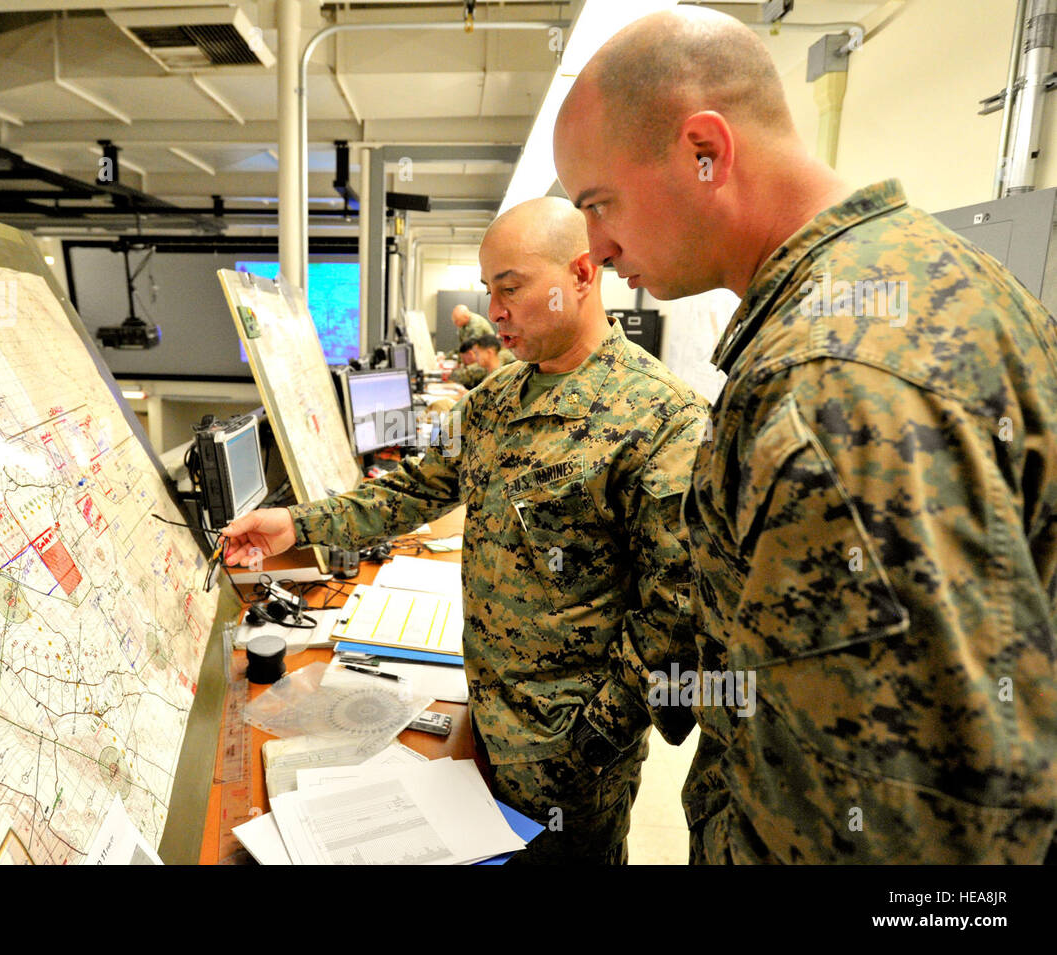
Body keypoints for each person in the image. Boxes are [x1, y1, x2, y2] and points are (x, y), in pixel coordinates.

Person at [554, 5, 1057, 863]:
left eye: (600, 204)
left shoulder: (829, 381)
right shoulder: (923, 277)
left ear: (704, 151)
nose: (595, 248)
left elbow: (911, 838)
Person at [223, 196, 707, 863]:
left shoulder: (663, 418)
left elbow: (676, 613)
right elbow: (410, 489)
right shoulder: (493, 402)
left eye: (511, 288)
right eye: (490, 290)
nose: (495, 310)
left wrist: (593, 738)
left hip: (572, 762)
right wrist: (295, 524)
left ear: (582, 275)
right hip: (483, 722)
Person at [452, 332, 516, 389]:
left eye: (477, 353)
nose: (475, 358)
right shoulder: (491, 371)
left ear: (489, 352)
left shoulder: (500, 377)